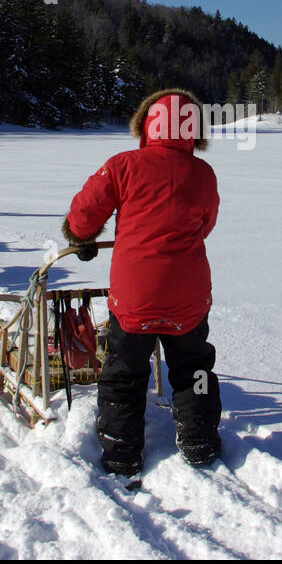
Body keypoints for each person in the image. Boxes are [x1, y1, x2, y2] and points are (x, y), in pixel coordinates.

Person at [61, 88, 222, 479]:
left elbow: (85, 212)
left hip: (135, 296)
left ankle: (121, 454)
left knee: (124, 373)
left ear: (146, 125)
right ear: (192, 130)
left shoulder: (123, 165)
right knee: (193, 368)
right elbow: (206, 224)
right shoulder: (202, 173)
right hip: (188, 296)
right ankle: (199, 441)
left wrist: (80, 238)